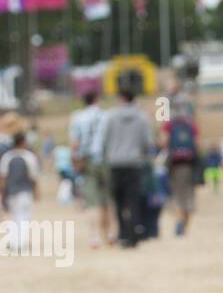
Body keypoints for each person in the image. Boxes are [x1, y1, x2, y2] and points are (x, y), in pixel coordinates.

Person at [100, 84, 154, 248]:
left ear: (120, 99)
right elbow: (147, 143)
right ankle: (134, 234)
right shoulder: (142, 117)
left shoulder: (110, 117)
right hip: (133, 163)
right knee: (133, 201)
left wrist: (106, 156)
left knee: (118, 201)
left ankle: (122, 234)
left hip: (115, 163)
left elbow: (104, 140)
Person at [70, 90, 111, 247]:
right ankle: (109, 233)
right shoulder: (106, 116)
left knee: (91, 201)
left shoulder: (77, 117)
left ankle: (94, 236)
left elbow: (74, 144)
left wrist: (75, 162)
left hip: (87, 162)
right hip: (106, 161)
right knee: (107, 200)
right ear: (97, 98)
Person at [165, 100, 200, 237]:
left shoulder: (170, 125)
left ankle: (179, 220)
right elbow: (198, 144)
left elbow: (164, 142)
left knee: (177, 194)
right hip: (190, 164)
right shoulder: (191, 125)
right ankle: (186, 226)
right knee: (189, 195)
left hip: (175, 164)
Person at [0, 129, 40, 252]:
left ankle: (13, 241)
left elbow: (3, 177)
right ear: (23, 142)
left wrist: (2, 192)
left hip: (11, 191)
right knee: (24, 216)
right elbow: (34, 177)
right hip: (25, 191)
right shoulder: (29, 156)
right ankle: (20, 243)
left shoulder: (7, 157)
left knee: (14, 216)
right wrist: (37, 191)